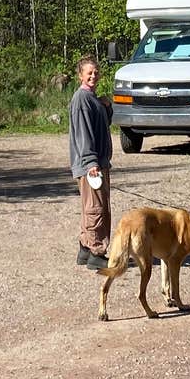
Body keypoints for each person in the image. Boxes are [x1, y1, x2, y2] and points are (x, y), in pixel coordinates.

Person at [68, 55, 113, 270]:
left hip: (98, 162)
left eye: (96, 72)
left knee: (95, 207)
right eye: (89, 72)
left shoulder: (93, 98)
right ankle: (96, 252)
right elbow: (83, 134)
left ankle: (85, 249)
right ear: (80, 75)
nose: (93, 75)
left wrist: (106, 107)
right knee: (95, 208)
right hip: (90, 165)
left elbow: (102, 127)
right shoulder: (82, 99)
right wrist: (91, 162)